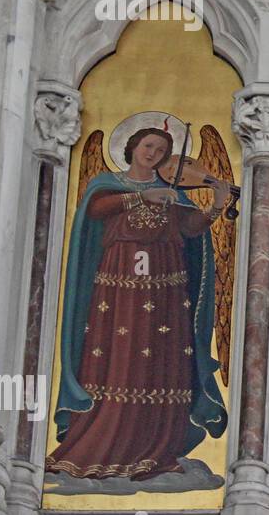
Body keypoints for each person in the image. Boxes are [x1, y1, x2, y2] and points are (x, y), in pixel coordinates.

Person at [48, 126, 229, 479]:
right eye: (148, 146)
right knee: (117, 354)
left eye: (161, 151)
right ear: (132, 147)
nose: (152, 154)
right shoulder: (108, 183)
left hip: (166, 285)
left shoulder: (174, 193)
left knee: (162, 359)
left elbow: (190, 228)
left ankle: (157, 449)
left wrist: (216, 206)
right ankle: (101, 442)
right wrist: (141, 198)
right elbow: (97, 209)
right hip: (119, 284)